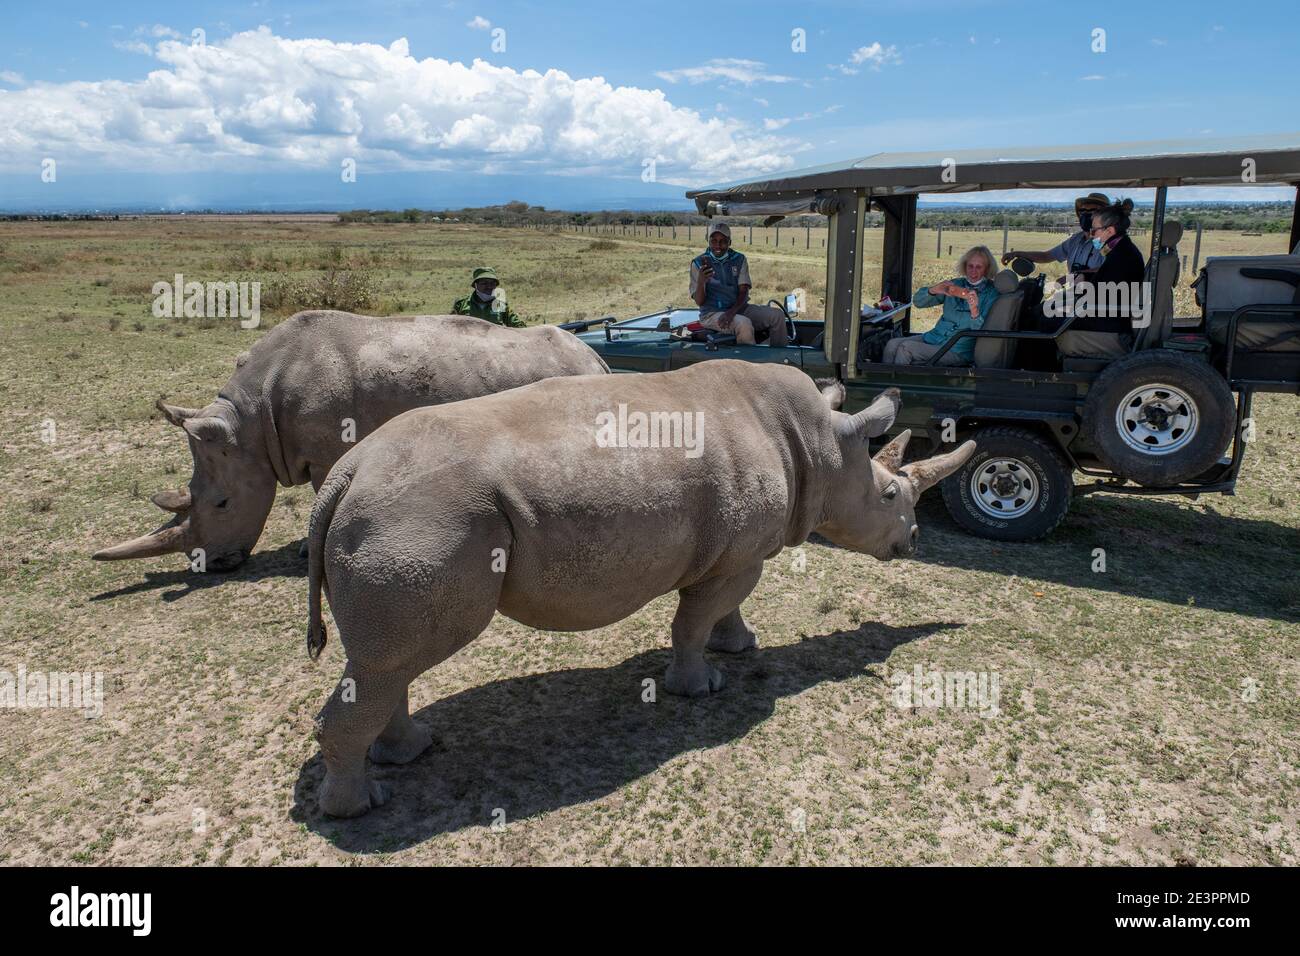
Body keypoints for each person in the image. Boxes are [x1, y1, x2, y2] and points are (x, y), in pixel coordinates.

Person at [1055, 198, 1146, 359]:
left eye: (1095, 230)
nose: (1091, 235)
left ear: (1110, 231)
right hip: (1111, 314)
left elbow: (1103, 292)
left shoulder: (1122, 257)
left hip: (1112, 322)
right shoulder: (1121, 249)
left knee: (1046, 319)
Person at [883, 246, 1000, 365]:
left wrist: (974, 310)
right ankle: (884, 381)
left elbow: (981, 331)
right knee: (891, 345)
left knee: (906, 348)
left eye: (979, 267)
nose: (973, 271)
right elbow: (918, 302)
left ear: (987, 269)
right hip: (934, 338)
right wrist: (933, 290)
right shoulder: (955, 284)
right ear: (965, 266)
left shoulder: (991, 293)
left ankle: (898, 382)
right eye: (970, 266)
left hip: (957, 349)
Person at [690, 223, 788, 346]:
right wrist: (701, 281)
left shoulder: (739, 259)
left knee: (777, 315)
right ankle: (748, 363)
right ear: (708, 241)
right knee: (743, 324)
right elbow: (699, 302)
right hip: (712, 314)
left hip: (738, 309)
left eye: (723, 241)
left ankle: (780, 358)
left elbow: (743, 291)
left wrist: (731, 312)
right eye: (713, 241)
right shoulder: (698, 263)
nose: (718, 246)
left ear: (729, 242)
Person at [1002, 192, 1110, 279]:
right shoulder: (1076, 240)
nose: (1086, 215)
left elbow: (1111, 268)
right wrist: (1017, 253)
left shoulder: (1110, 241)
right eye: (1083, 211)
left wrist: (1073, 276)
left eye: (1092, 211)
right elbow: (1046, 256)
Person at [451, 267, 525, 327]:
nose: (489, 286)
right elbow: (450, 326)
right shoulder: (461, 304)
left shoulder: (501, 304)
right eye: (484, 283)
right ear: (475, 285)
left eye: (492, 283)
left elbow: (517, 325)